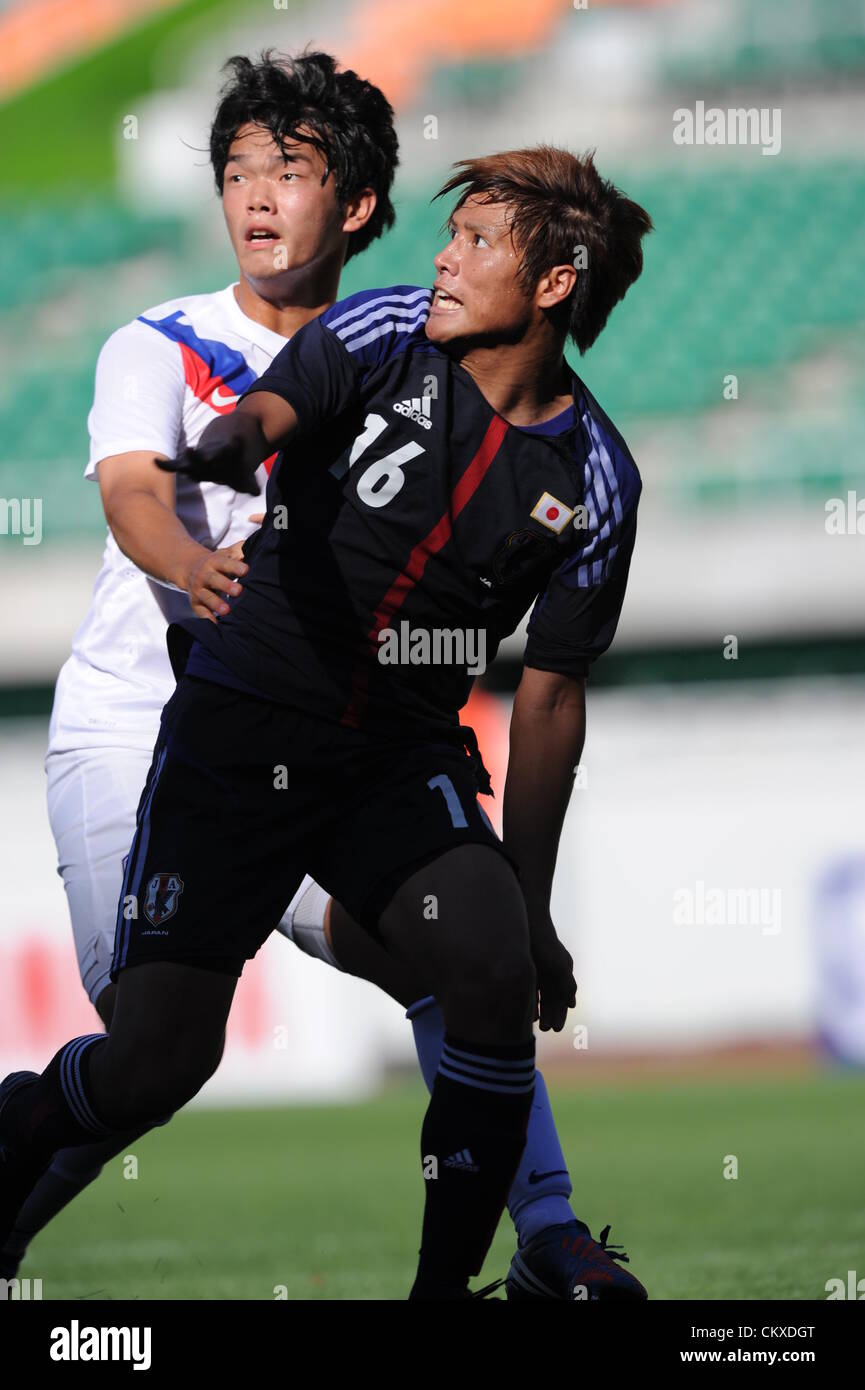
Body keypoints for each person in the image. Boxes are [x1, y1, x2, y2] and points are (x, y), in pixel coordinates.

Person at [1, 143, 651, 1299]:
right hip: (243, 724)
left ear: (553, 284)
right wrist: (232, 445)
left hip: (395, 756)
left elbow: (551, 697)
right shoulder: (388, 326)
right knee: (156, 1056)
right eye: (449, 238)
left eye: (477, 243)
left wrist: (534, 903)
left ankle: (462, 1283)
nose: (442, 261)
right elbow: (274, 404)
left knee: (489, 968)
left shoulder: (598, 480)